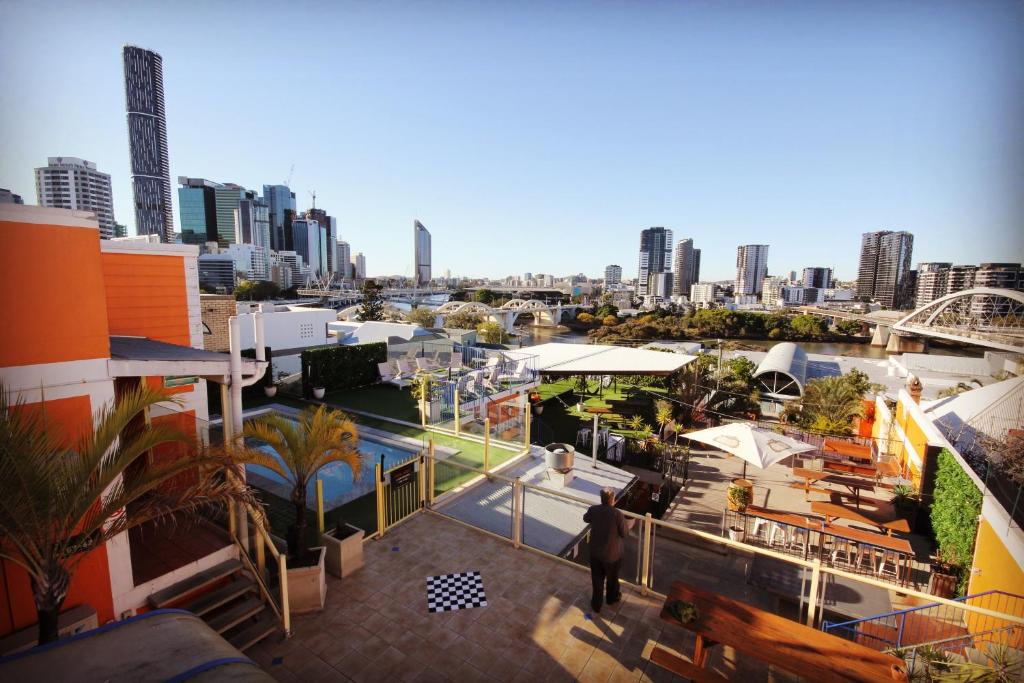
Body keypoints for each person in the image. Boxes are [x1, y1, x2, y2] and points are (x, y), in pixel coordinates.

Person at [583, 487, 630, 613]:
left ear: (601, 498)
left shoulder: (594, 510)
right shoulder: (618, 514)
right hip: (612, 556)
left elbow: (586, 518)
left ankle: (596, 605)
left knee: (597, 580)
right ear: (613, 499)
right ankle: (611, 599)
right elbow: (625, 534)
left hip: (596, 553)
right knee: (612, 579)